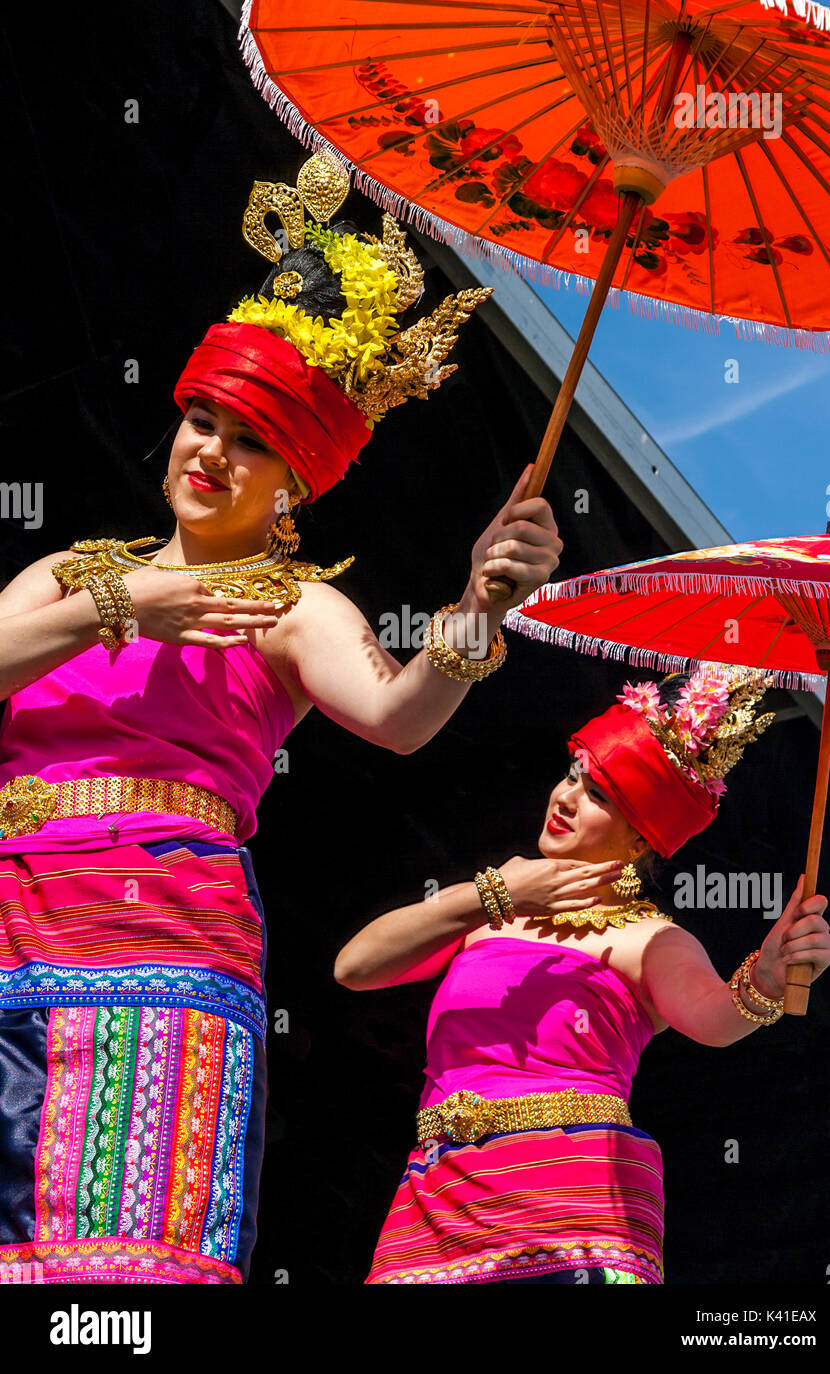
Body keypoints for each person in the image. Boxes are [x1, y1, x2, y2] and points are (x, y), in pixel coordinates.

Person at [0, 150, 562, 1285]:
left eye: (250, 438)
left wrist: (472, 605)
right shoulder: (69, 569)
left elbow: (401, 718)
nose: (210, 450)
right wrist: (127, 604)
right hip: (8, 913)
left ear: (297, 476)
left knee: (112, 1252)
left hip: (156, 939)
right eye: (201, 419)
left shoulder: (295, 604)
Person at [335, 667, 830, 1285]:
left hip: (572, 1199)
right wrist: (495, 892)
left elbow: (714, 1019)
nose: (565, 798)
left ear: (638, 838)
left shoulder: (648, 938)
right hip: (441, 1191)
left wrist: (766, 973)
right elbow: (355, 968)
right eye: (573, 775)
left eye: (600, 795)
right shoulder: (487, 914)